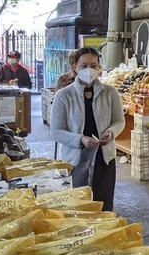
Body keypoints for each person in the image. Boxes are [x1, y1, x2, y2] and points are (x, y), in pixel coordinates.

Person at [50, 47, 124, 211]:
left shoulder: (110, 93)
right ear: (74, 67)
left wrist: (111, 133)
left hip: (104, 159)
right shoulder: (63, 96)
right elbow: (56, 131)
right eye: (84, 66)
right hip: (75, 160)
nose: (89, 70)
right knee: (78, 207)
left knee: (104, 205)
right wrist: (81, 140)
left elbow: (119, 121)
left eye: (93, 65)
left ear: (99, 68)